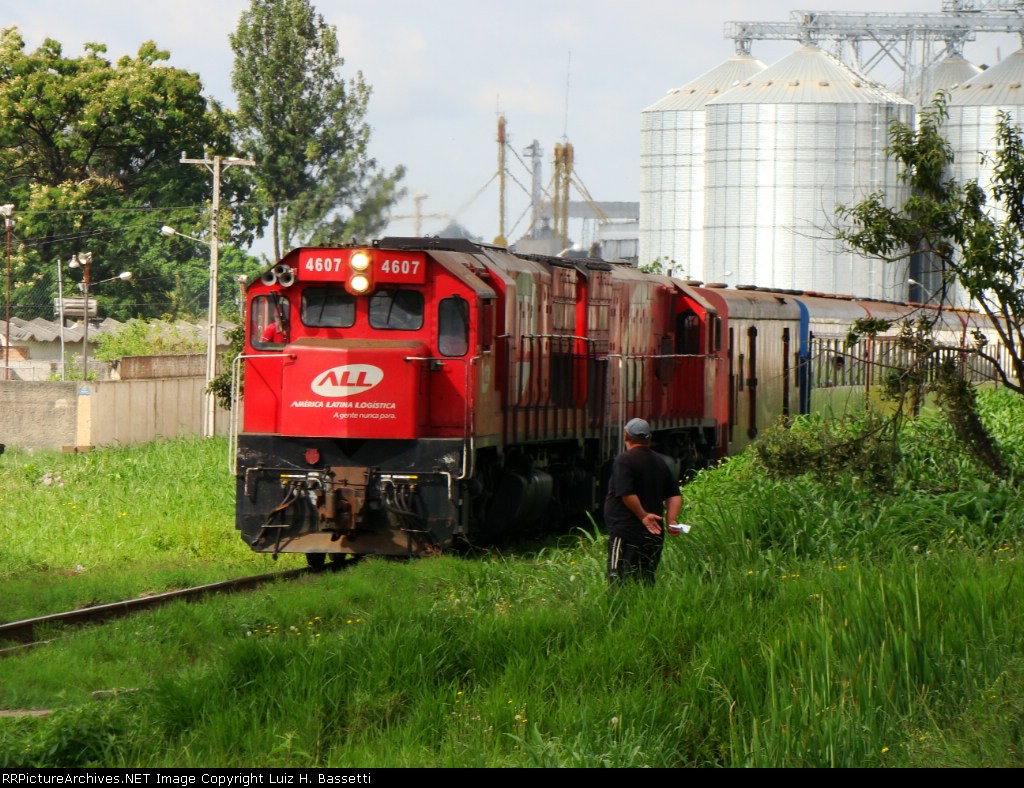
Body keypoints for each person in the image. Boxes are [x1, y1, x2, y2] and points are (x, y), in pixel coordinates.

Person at [604, 417, 683, 586]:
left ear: (626, 436)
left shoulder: (623, 461)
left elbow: (626, 494)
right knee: (645, 579)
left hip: (626, 531)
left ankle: (619, 611)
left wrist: (643, 516)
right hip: (654, 535)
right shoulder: (660, 462)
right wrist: (671, 520)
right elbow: (674, 495)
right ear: (649, 438)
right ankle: (646, 609)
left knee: (617, 578)